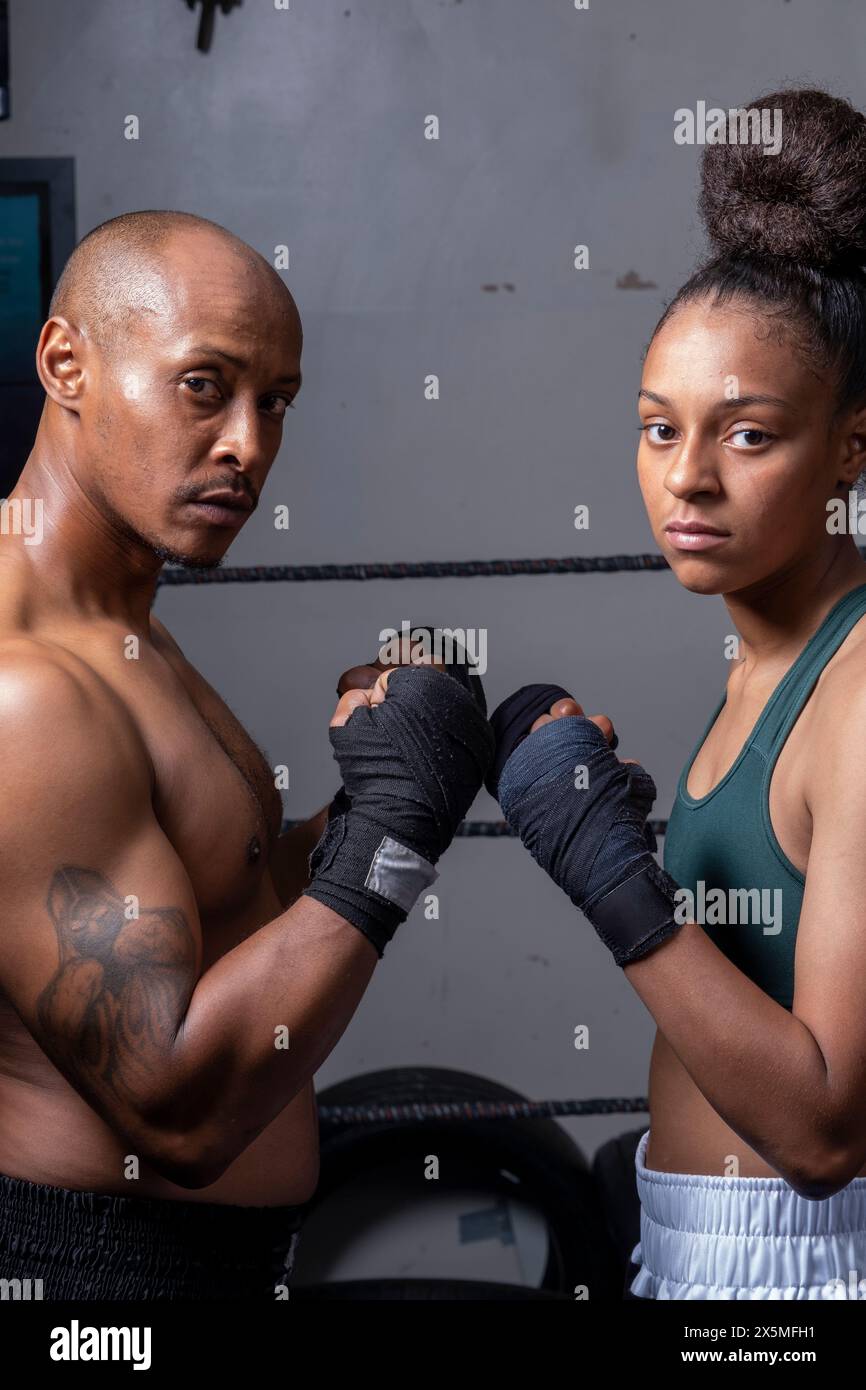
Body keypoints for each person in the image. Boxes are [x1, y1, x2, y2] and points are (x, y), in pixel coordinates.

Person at [0, 210, 494, 1299]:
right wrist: (389, 831)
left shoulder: (126, 636)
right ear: (65, 362)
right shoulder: (25, 691)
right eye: (202, 385)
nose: (248, 445)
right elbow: (173, 1109)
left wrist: (387, 781)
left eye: (274, 402)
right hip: (92, 1282)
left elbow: (230, 909)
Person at [487, 87, 866, 1300]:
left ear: (849, 448)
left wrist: (609, 874)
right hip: (693, 1243)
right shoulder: (760, 664)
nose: (687, 478)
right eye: (658, 430)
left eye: (745, 435)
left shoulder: (857, 694)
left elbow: (819, 1132)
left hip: (803, 1267)